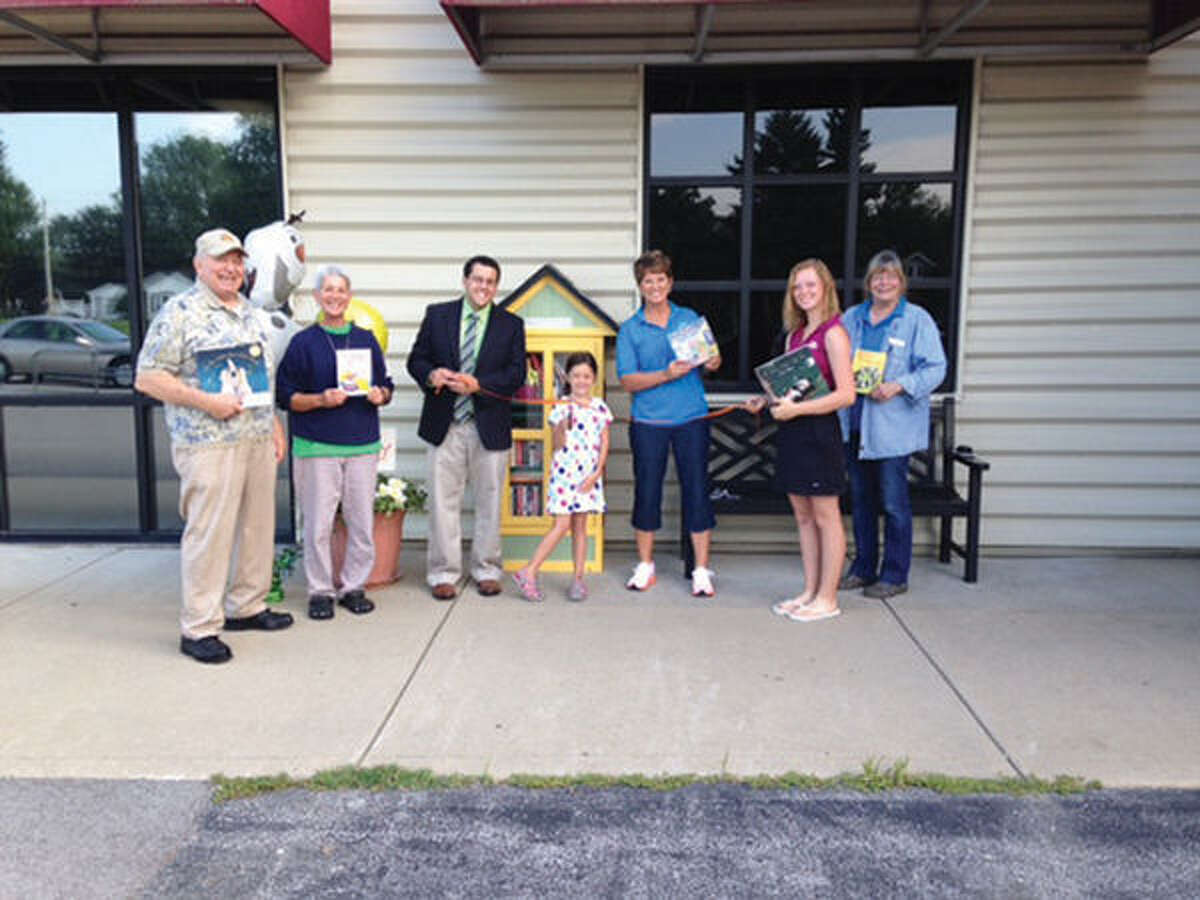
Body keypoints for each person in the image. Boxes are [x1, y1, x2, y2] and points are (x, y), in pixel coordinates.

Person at [135, 227, 293, 665]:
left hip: (257, 438)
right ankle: (200, 626)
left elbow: (262, 379)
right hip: (208, 444)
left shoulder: (249, 311)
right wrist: (206, 401)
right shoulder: (179, 312)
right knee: (210, 535)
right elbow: (147, 377)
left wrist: (275, 425)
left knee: (257, 528)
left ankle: (247, 605)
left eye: (237, 261)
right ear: (199, 265)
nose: (231, 268)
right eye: (221, 260)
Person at [276, 264, 394, 621]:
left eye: (341, 290)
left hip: (361, 442)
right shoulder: (302, 342)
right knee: (318, 524)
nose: (335, 297)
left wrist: (380, 395)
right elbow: (286, 397)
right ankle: (320, 590)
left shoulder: (365, 339)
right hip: (316, 446)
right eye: (328, 290)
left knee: (360, 521)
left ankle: (354, 586)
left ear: (349, 296)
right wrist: (320, 400)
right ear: (317, 296)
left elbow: (386, 384)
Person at [406, 255, 526, 600]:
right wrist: (431, 375)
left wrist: (480, 384)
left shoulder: (510, 325)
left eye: (490, 282)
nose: (483, 287)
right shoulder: (437, 315)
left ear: (496, 286)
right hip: (445, 425)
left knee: (489, 500)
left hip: (488, 424)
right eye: (478, 280)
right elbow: (417, 359)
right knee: (444, 503)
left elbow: (516, 375)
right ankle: (443, 573)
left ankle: (487, 569)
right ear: (465, 281)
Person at [746, 260, 855, 622]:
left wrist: (798, 411)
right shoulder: (794, 335)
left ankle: (828, 597)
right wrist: (768, 401)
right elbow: (792, 390)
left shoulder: (833, 334)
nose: (803, 292)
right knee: (804, 518)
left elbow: (846, 395)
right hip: (792, 433)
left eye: (810, 285)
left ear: (825, 287)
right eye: (797, 287)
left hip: (820, 434)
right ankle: (810, 590)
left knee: (826, 516)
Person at [838, 249, 947, 600]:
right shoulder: (852, 318)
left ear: (901, 283)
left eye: (891, 276)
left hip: (892, 429)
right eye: (877, 276)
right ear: (868, 283)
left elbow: (935, 368)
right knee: (861, 501)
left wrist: (899, 385)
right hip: (854, 425)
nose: (884, 282)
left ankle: (895, 574)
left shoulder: (917, 320)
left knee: (894, 504)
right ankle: (863, 567)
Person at [616, 250, 720, 597]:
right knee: (647, 492)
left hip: (691, 417)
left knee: (697, 491)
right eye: (649, 281)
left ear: (670, 283)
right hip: (649, 422)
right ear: (640, 286)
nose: (655, 286)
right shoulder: (631, 329)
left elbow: (713, 361)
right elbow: (628, 381)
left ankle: (702, 570)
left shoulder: (688, 318)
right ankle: (645, 566)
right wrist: (665, 374)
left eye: (661, 279)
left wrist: (713, 357)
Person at [511, 352, 613, 602]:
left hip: (589, 477)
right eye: (576, 375)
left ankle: (578, 578)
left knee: (581, 526)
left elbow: (604, 442)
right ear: (568, 377)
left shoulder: (600, 407)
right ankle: (529, 570)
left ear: (594, 378)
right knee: (562, 524)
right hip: (565, 476)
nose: (581, 381)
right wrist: (563, 423)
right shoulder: (560, 406)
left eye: (586, 376)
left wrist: (597, 472)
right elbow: (557, 445)